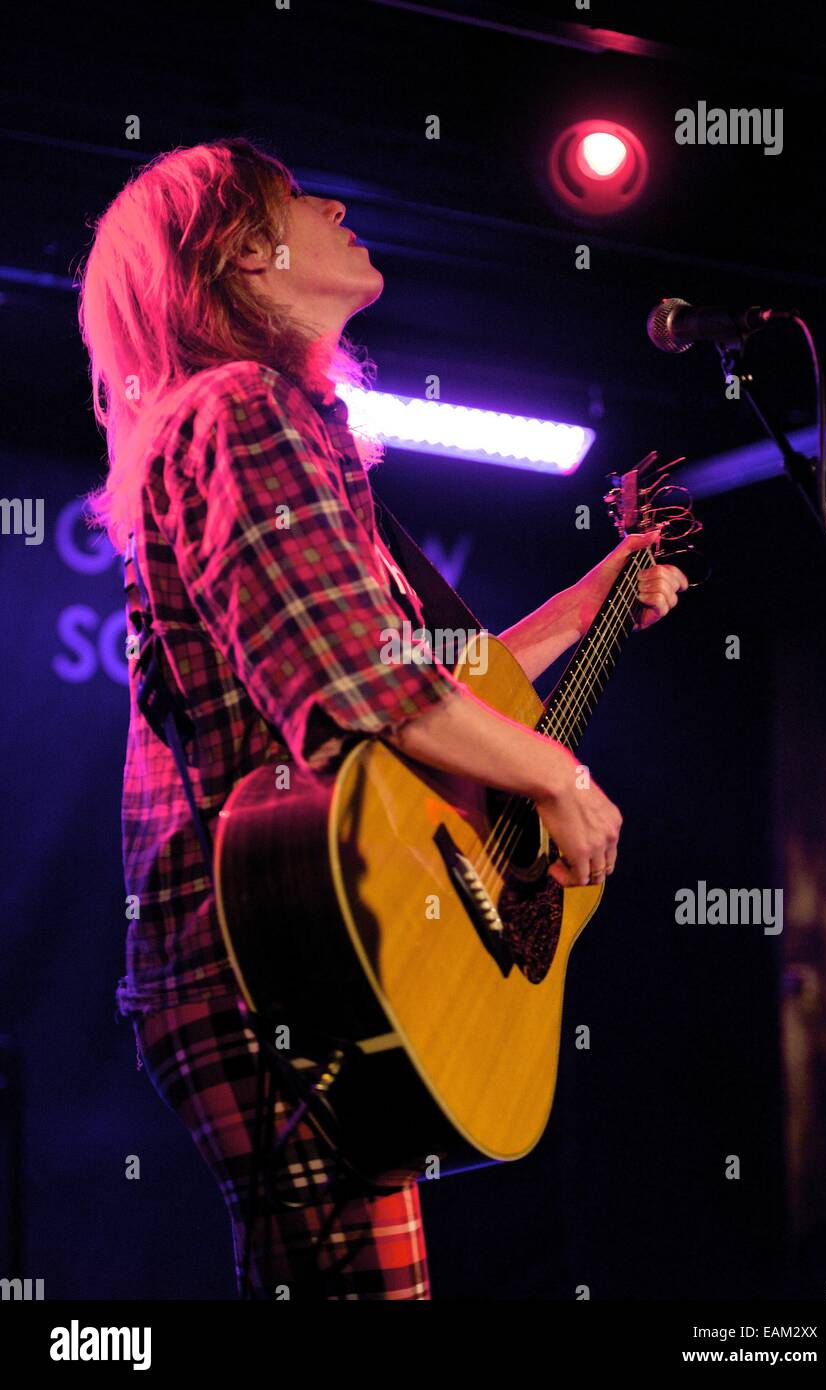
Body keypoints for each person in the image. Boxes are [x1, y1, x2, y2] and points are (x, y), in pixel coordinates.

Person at [76, 136, 686, 1300]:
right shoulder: (244, 409)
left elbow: (432, 690)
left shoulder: (257, 423)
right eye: (303, 195)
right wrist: (557, 776)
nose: (339, 200)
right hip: (277, 948)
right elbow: (354, 681)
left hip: (315, 938)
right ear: (247, 252)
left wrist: (591, 599)